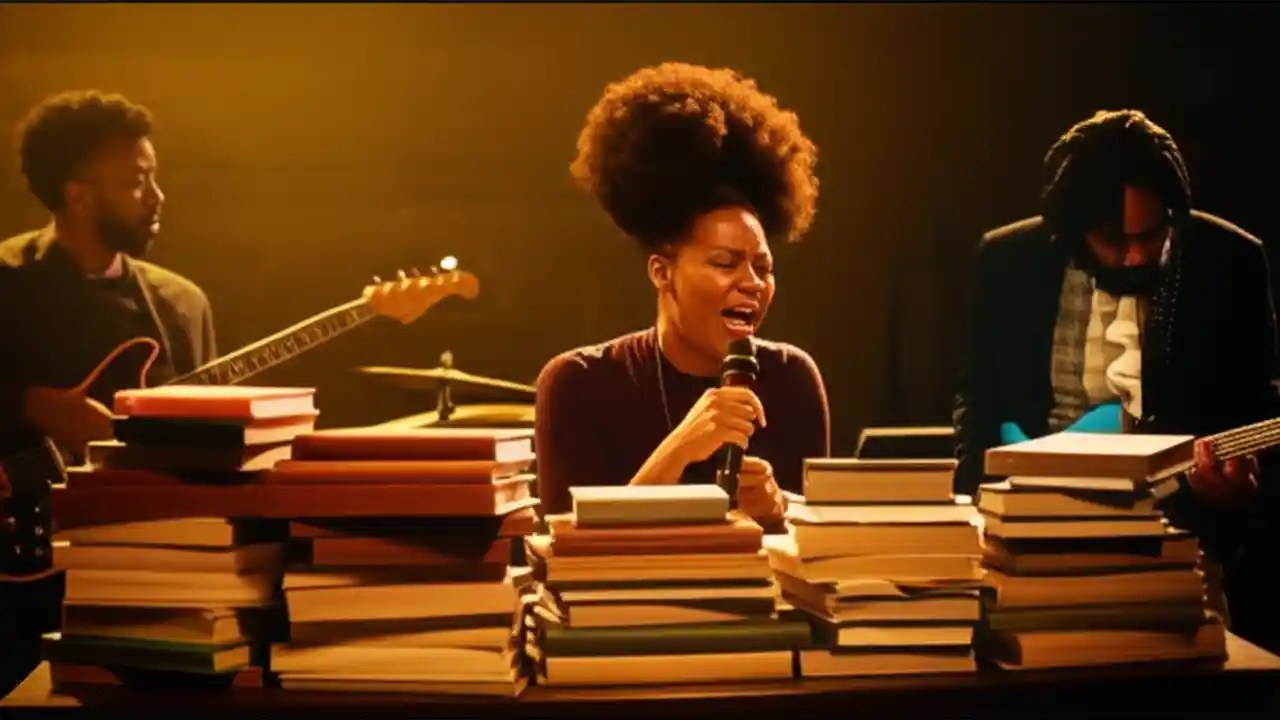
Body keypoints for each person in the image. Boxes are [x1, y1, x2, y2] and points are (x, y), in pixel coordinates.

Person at [953, 108, 1279, 650]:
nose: (1133, 255)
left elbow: (1256, 413)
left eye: (1151, 237)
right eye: (1110, 239)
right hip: (1029, 543)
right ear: (1069, 230)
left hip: (1182, 551)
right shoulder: (1007, 261)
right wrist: (980, 502)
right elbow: (977, 395)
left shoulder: (1231, 262)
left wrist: (1238, 492)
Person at [535, 62, 829, 532]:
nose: (752, 282)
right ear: (662, 272)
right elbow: (563, 558)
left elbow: (820, 560)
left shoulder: (792, 380)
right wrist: (680, 449)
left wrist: (782, 513)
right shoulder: (579, 385)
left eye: (764, 266)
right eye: (725, 263)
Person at [0, 90, 216, 693]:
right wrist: (34, 404)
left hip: (144, 572)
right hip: (18, 578)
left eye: (154, 177)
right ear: (77, 194)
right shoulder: (7, 283)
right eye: (137, 180)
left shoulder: (181, 304)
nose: (157, 197)